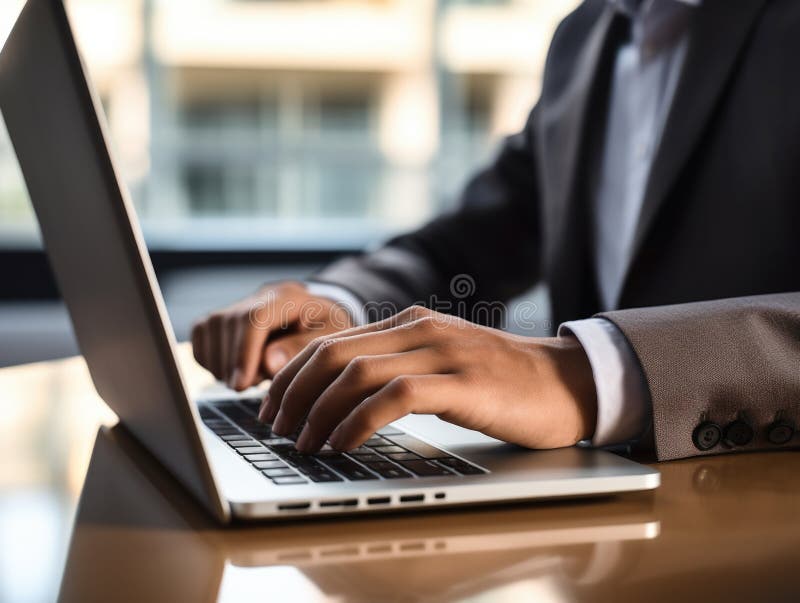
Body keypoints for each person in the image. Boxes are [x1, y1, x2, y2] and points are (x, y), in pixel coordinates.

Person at [191, 0, 800, 461]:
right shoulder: (585, 36)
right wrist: (334, 303)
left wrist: (583, 375)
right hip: (598, 514)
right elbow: (476, 242)